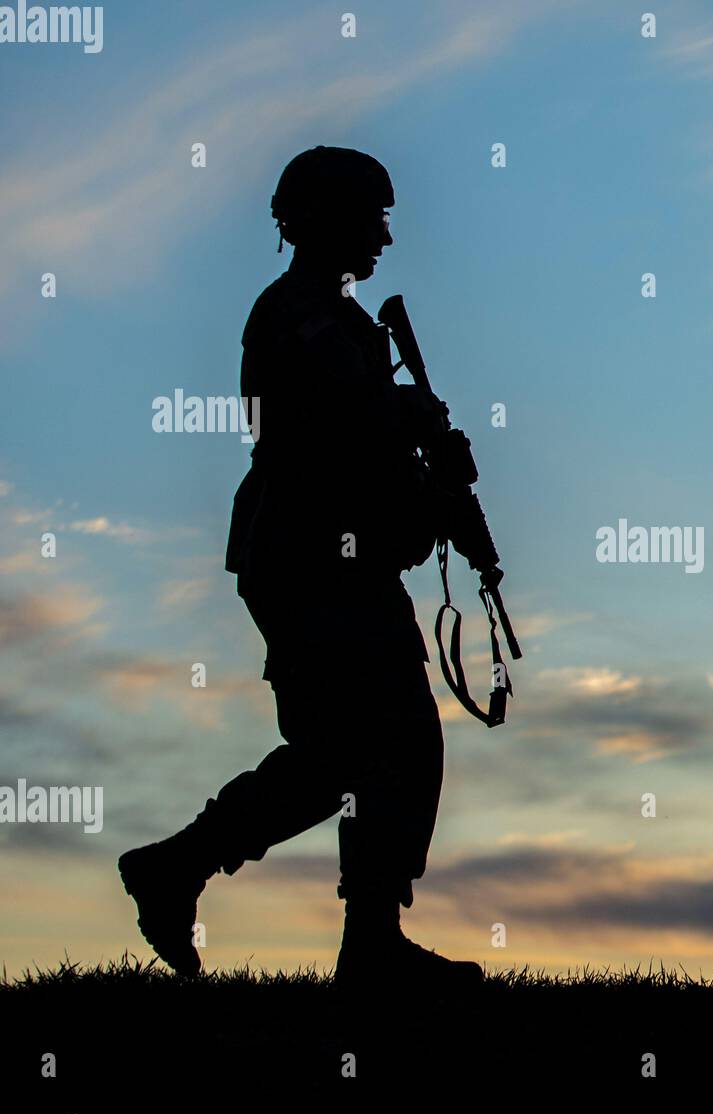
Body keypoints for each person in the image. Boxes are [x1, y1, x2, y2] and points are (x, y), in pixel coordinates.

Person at [118, 146, 481, 993]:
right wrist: (410, 439)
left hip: (328, 560)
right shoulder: (299, 317)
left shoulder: (342, 321)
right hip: (311, 560)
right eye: (372, 216)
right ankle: (360, 943)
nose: (385, 234)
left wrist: (427, 465)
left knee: (350, 751)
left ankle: (196, 874)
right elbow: (331, 447)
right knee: (375, 743)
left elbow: (364, 451)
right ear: (323, 219)